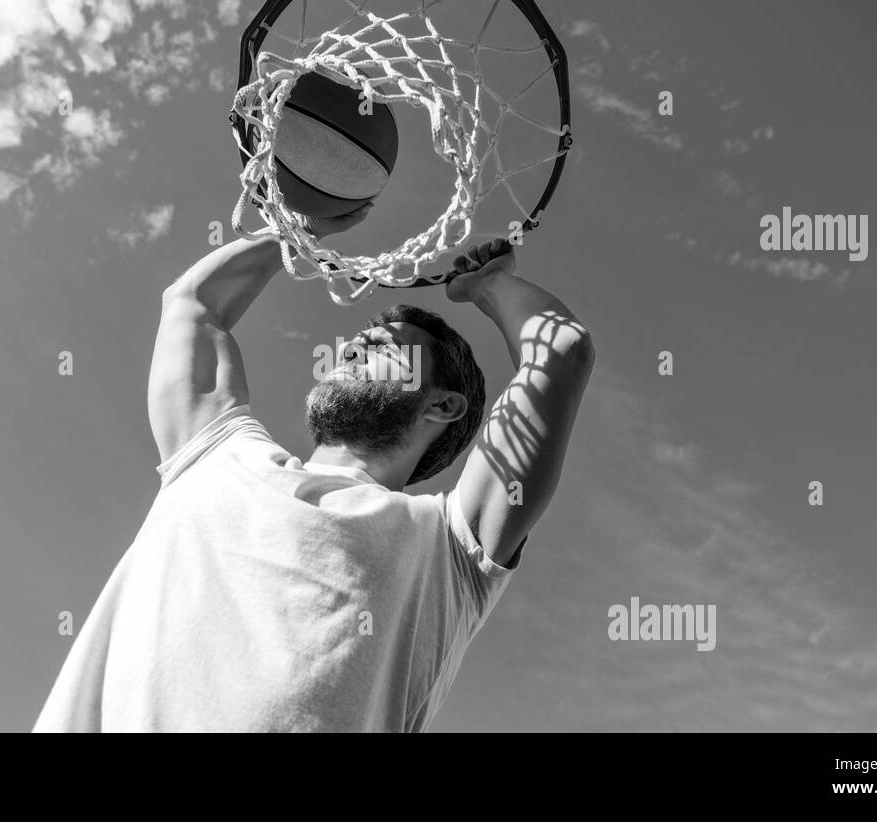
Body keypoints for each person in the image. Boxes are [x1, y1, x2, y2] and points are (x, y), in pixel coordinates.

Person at [33, 204, 594, 731]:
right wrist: (297, 229)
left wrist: (486, 285)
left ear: (442, 405)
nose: (352, 347)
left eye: (384, 347)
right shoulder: (215, 454)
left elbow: (561, 351)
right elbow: (192, 303)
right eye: (357, 340)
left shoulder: (449, 550)